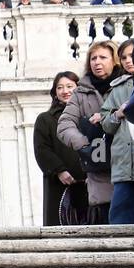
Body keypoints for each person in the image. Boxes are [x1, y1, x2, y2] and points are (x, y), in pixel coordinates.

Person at [58, 40, 122, 225]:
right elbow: (64, 125)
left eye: (103, 57)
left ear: (114, 60)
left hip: (126, 161)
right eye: (93, 58)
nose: (97, 62)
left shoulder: (126, 85)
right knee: (105, 219)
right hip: (99, 164)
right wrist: (83, 144)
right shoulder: (80, 92)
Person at [101, 40, 134, 224]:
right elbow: (106, 123)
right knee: (120, 219)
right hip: (123, 166)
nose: (129, 61)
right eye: (123, 57)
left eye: (132, 56)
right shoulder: (118, 88)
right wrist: (118, 114)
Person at [33, 72, 85, 227]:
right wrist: (59, 170)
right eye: (60, 87)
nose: (65, 91)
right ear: (55, 92)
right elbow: (41, 149)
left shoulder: (88, 115)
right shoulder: (45, 119)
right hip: (59, 182)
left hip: (89, 181)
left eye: (70, 86)